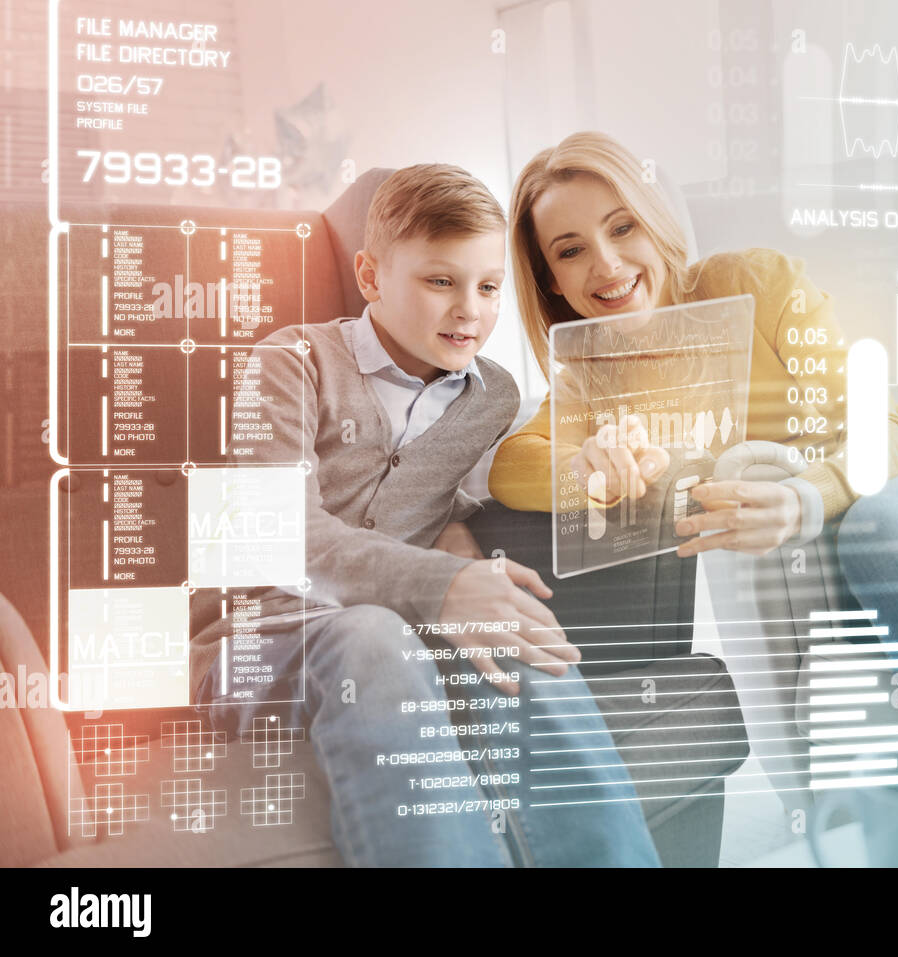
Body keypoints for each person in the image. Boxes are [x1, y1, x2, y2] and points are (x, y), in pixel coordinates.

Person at [487, 131, 898, 782]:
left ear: (654, 222)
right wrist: (583, 471)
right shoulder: (591, 377)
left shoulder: (754, 281)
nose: (605, 265)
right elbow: (509, 463)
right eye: (570, 249)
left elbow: (881, 422)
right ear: (549, 277)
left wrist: (804, 496)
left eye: (622, 226)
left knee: (880, 525)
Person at [190, 164, 659, 866]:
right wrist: (441, 581)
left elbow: (457, 489)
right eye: (440, 281)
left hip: (402, 627)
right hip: (256, 637)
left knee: (513, 627)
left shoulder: (492, 396)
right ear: (372, 277)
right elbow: (277, 532)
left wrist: (467, 546)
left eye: (489, 286)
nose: (470, 309)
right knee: (374, 635)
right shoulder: (292, 360)